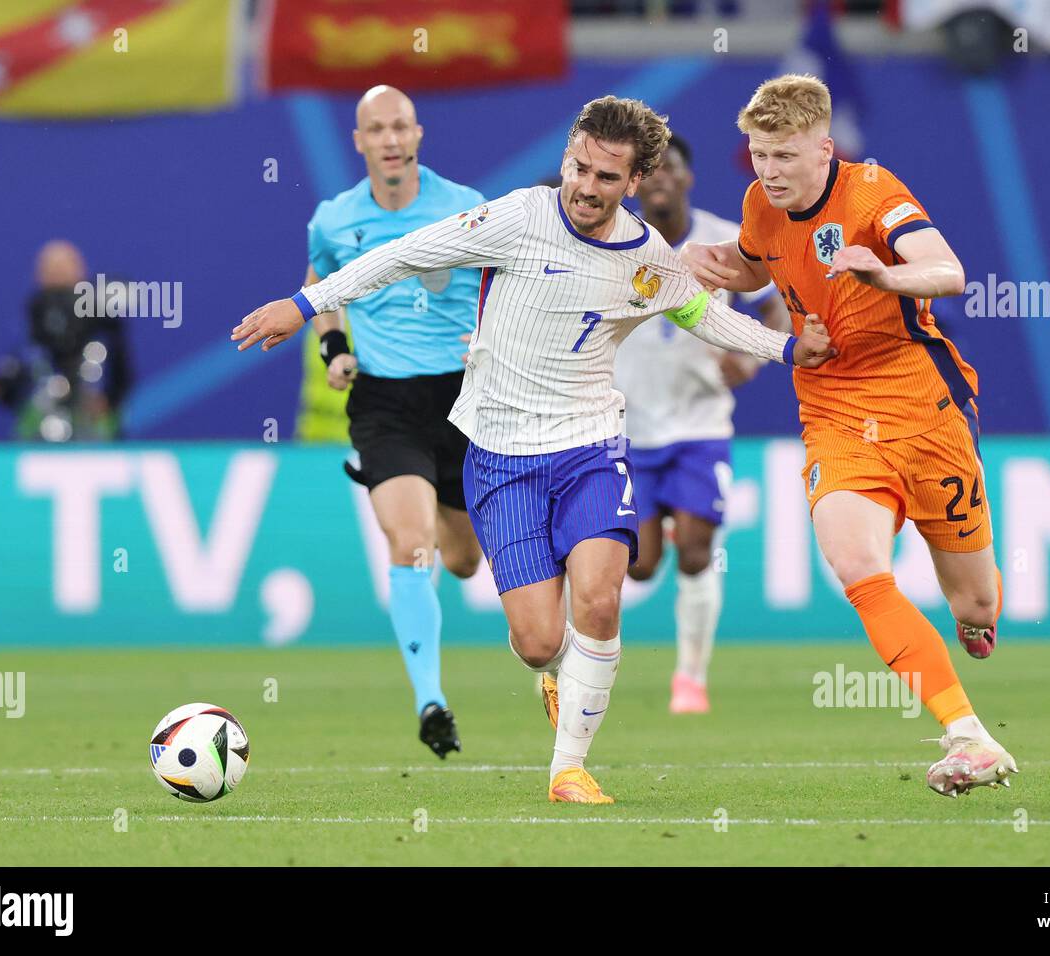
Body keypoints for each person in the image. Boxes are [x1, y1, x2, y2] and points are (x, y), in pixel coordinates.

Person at [234, 95, 835, 803]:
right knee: (538, 643)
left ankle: (568, 769)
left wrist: (789, 348)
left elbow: (705, 315)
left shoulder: (646, 258)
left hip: (592, 447)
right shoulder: (518, 218)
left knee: (602, 600)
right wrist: (304, 306)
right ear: (566, 159)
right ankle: (555, 683)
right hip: (502, 455)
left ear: (633, 182)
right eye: (578, 168)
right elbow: (398, 256)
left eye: (606, 178)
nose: (585, 187)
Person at [682, 73, 1017, 797]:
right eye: (758, 154)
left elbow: (950, 272)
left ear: (824, 148)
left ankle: (977, 613)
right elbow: (755, 262)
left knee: (977, 605)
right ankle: (968, 735)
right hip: (832, 406)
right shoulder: (755, 204)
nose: (768, 171)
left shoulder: (870, 192)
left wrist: (886, 276)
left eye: (784, 156)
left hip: (921, 404)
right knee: (857, 565)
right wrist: (712, 268)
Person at [300, 85, 486, 759]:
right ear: (359, 142)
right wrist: (335, 346)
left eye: (399, 126)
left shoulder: (465, 208)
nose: (389, 139)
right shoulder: (334, 219)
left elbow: (510, 282)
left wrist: (489, 338)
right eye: (375, 129)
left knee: (463, 562)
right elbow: (321, 284)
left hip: (463, 400)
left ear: (418, 134)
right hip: (384, 404)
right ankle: (430, 701)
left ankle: (439, 502)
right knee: (410, 546)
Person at [614, 132, 790, 714]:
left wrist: (754, 355)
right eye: (651, 170)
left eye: (673, 168)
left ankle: (690, 678)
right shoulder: (615, 242)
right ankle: (653, 527)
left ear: (689, 178)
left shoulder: (723, 239)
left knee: (695, 552)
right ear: (636, 182)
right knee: (638, 566)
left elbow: (777, 301)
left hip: (700, 422)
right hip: (628, 425)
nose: (661, 177)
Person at [0, 240, 130, 442]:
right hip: (42, 417)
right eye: (51, 269)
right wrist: (0, 386)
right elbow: (20, 364)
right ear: (39, 276)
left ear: (80, 271)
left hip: (92, 417)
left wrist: (109, 399)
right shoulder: (33, 315)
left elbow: (122, 371)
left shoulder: (104, 322)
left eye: (64, 268)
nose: (58, 275)